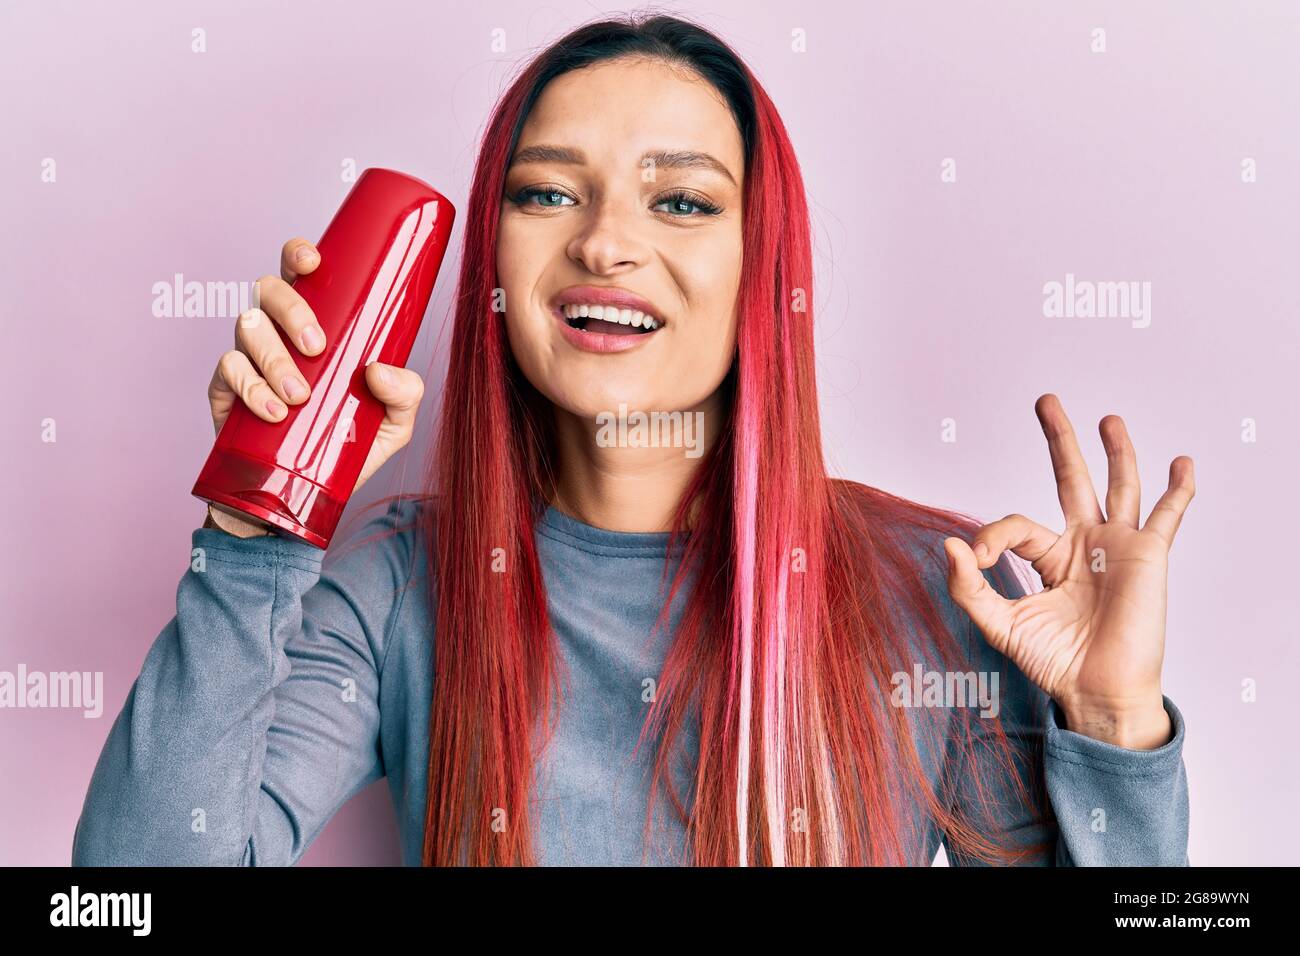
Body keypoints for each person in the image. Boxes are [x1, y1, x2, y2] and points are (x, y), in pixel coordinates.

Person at [72, 13, 1192, 867]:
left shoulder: (943, 593)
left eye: (684, 203)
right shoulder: (402, 584)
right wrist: (258, 524)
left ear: (764, 265)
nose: (606, 243)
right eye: (547, 193)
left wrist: (1112, 725)